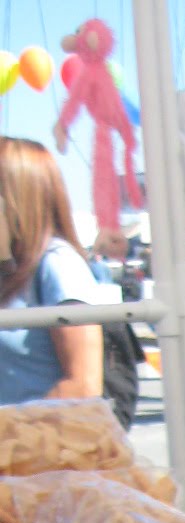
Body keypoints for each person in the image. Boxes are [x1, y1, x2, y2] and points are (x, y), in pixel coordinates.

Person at [0, 136, 102, 405]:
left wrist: (13, 430)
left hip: (35, 442)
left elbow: (83, 385)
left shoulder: (58, 265)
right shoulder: (9, 267)